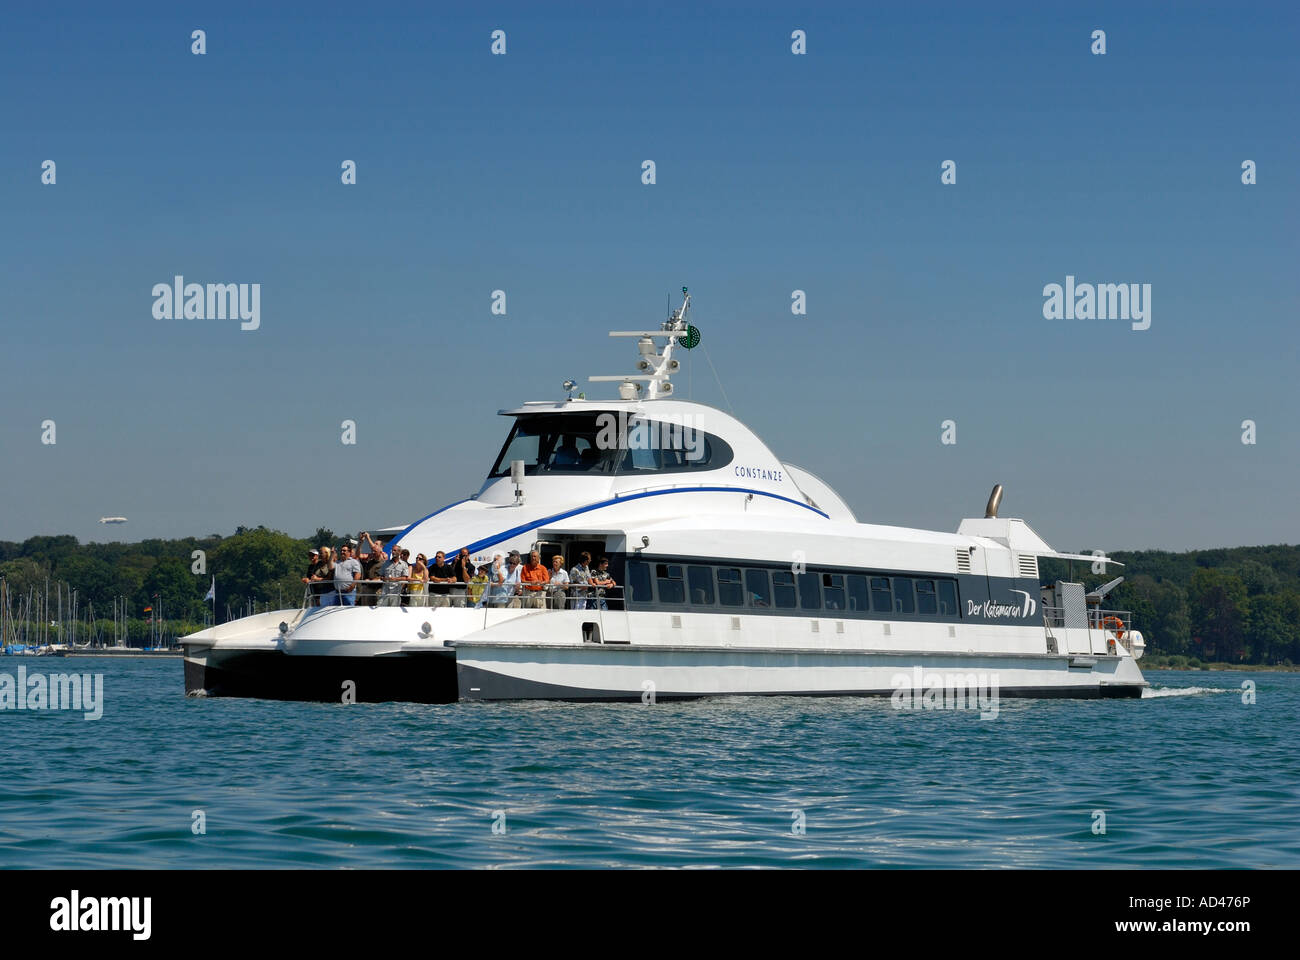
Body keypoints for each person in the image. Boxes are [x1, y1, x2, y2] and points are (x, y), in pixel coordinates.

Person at [357, 534, 386, 607]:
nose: (373, 552)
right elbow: (358, 555)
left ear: (381, 549)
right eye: (372, 551)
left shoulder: (384, 559)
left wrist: (368, 537)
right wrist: (360, 542)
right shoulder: (370, 559)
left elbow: (382, 577)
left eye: (375, 551)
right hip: (368, 588)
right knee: (365, 608)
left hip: (378, 590)